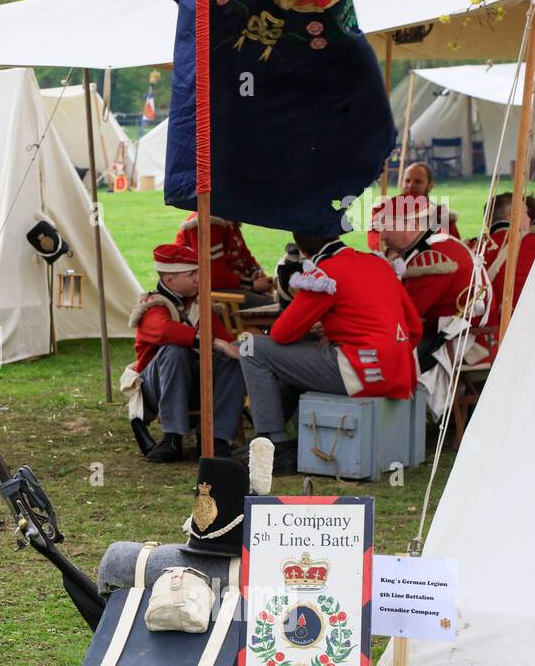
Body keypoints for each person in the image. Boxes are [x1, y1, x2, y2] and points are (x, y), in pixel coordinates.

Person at [239, 232, 423, 473]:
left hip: (360, 370)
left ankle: (272, 443)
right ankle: (272, 439)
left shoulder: (326, 271)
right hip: (399, 371)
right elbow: (414, 327)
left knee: (253, 349)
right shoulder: (377, 263)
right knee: (291, 358)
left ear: (303, 251)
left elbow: (282, 334)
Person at [129, 244, 246, 462]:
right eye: (192, 274)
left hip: (195, 383)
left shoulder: (198, 306)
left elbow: (229, 343)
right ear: (169, 280)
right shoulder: (152, 307)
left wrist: (249, 348)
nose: (198, 279)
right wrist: (215, 343)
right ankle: (172, 437)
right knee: (175, 351)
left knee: (234, 358)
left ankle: (215, 438)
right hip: (157, 390)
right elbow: (165, 330)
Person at [380, 203, 478, 371]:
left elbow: (401, 315)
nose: (382, 235)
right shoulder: (433, 246)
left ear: (412, 227)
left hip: (456, 344)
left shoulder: (433, 257)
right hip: (441, 337)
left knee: (371, 359)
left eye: (387, 227)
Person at [174, 213, 275, 306]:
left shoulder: (229, 218)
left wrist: (256, 274)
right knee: (275, 305)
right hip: (210, 294)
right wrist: (252, 285)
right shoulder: (210, 224)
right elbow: (212, 276)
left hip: (231, 286)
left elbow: (245, 257)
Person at [479, 191, 535, 330]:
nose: (529, 219)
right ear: (512, 215)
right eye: (526, 213)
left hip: (483, 337)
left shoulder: (473, 247)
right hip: (527, 331)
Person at [367, 163, 460, 251]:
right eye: (407, 181)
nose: (411, 185)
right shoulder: (383, 210)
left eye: (418, 182)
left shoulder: (441, 215)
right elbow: (374, 240)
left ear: (430, 186)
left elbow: (454, 248)